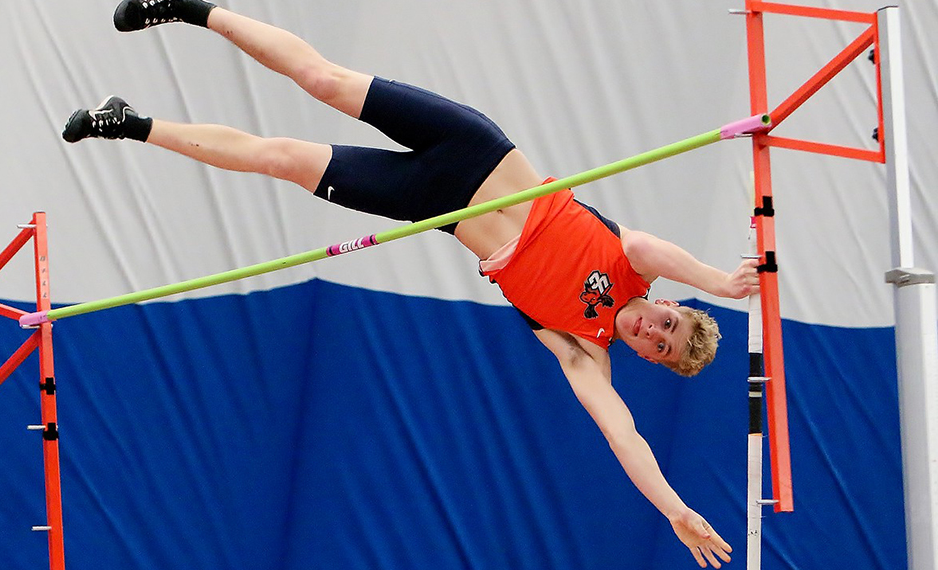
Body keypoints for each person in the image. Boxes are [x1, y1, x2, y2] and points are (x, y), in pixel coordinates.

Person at [64, 2, 756, 567]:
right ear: (667, 302)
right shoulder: (635, 258)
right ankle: (189, 7)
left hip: (432, 204)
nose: (654, 332)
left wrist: (674, 509)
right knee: (325, 81)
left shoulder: (583, 350)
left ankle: (128, 122)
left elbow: (623, 433)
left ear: (644, 359)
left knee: (278, 160)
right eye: (669, 323)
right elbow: (660, 249)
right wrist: (721, 285)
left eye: (659, 347)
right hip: (475, 149)